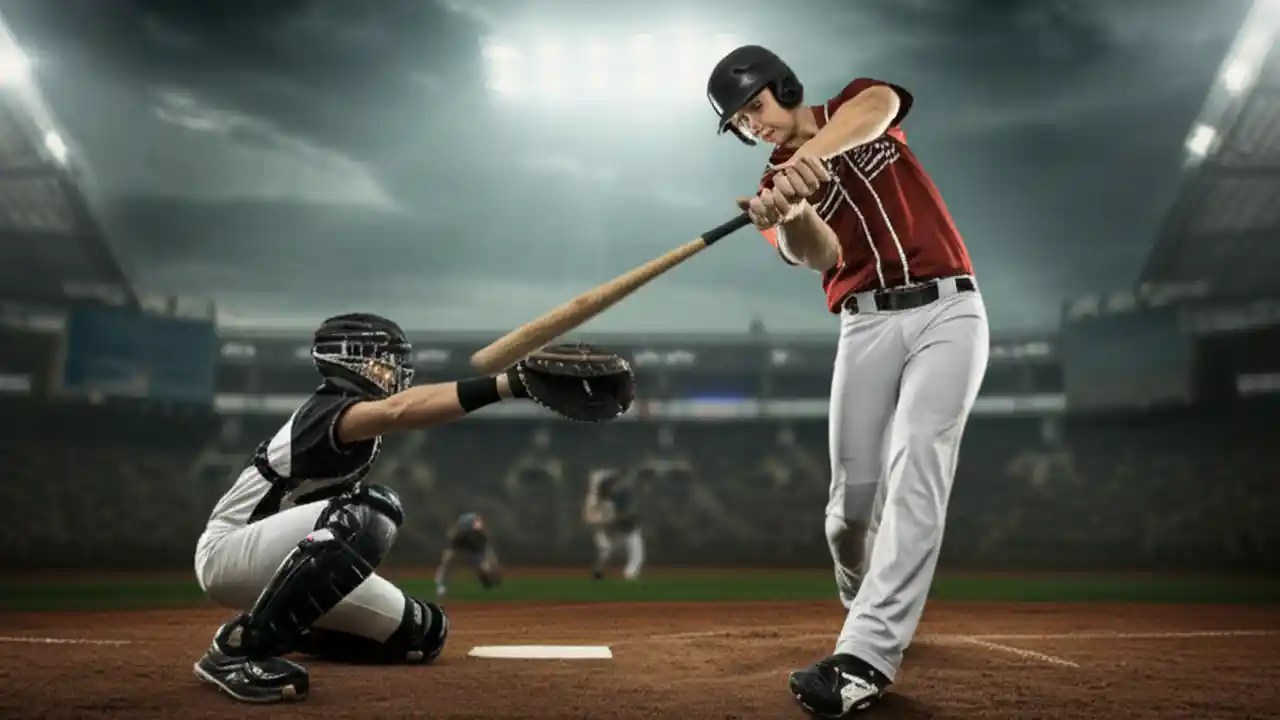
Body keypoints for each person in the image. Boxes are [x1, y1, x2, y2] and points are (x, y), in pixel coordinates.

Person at [706, 46, 990, 716]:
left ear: (785, 86)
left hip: (949, 308)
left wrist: (815, 158)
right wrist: (791, 210)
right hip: (865, 325)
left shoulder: (852, 108)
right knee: (849, 510)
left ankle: (866, 653)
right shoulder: (775, 182)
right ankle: (863, 595)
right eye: (740, 123)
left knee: (918, 461)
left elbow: (880, 108)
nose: (754, 126)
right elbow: (821, 256)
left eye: (757, 107)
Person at [191, 314, 633, 703]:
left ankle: (295, 624)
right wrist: (509, 384)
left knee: (423, 633)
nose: (395, 371)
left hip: (282, 558)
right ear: (348, 360)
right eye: (384, 359)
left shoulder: (359, 423)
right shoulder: (325, 411)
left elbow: (400, 408)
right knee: (371, 511)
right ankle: (238, 650)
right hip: (231, 551)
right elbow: (403, 409)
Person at [582, 467, 644, 580]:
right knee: (607, 549)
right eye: (608, 484)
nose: (610, 485)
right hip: (604, 531)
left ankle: (624, 573)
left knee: (615, 549)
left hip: (616, 531)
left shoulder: (611, 500)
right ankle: (599, 573)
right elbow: (596, 520)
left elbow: (612, 519)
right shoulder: (594, 500)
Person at [434, 512, 502, 597]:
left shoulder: (481, 536)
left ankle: (488, 582)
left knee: (485, 568)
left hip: (476, 551)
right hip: (461, 548)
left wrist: (490, 567)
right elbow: (453, 548)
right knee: (448, 563)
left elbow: (485, 552)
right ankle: (441, 585)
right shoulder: (457, 535)